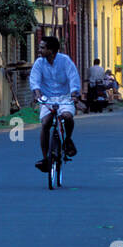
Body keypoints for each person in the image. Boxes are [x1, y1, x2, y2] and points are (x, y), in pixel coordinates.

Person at [29, 35, 81, 171]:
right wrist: (37, 95)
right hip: (47, 98)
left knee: (67, 117)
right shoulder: (39, 63)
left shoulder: (65, 61)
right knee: (45, 123)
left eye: (42, 48)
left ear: (51, 50)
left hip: (65, 98)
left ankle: (68, 139)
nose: (39, 50)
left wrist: (74, 94)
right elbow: (35, 81)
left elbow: (73, 78)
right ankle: (46, 158)